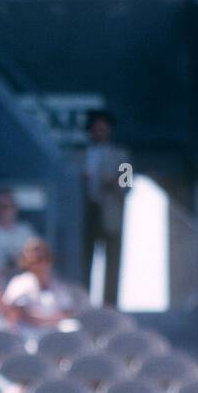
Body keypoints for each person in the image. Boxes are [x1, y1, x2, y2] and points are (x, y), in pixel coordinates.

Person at [81, 110, 129, 306]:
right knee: (85, 259)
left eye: (103, 129)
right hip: (87, 211)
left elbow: (128, 182)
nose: (100, 132)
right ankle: (83, 302)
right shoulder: (81, 154)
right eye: (96, 129)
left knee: (113, 260)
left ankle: (110, 304)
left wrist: (114, 181)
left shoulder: (121, 155)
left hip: (110, 212)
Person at [3, 237, 89, 329]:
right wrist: (46, 321)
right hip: (27, 332)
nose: (42, 264)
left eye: (46, 258)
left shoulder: (57, 284)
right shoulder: (18, 283)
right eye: (37, 260)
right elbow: (17, 313)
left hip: (54, 332)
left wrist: (51, 322)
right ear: (27, 261)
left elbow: (67, 312)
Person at [0, 190, 37, 276]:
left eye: (6, 206)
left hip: (20, 280)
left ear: (15, 208)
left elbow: (35, 258)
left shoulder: (25, 231)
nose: (2, 210)